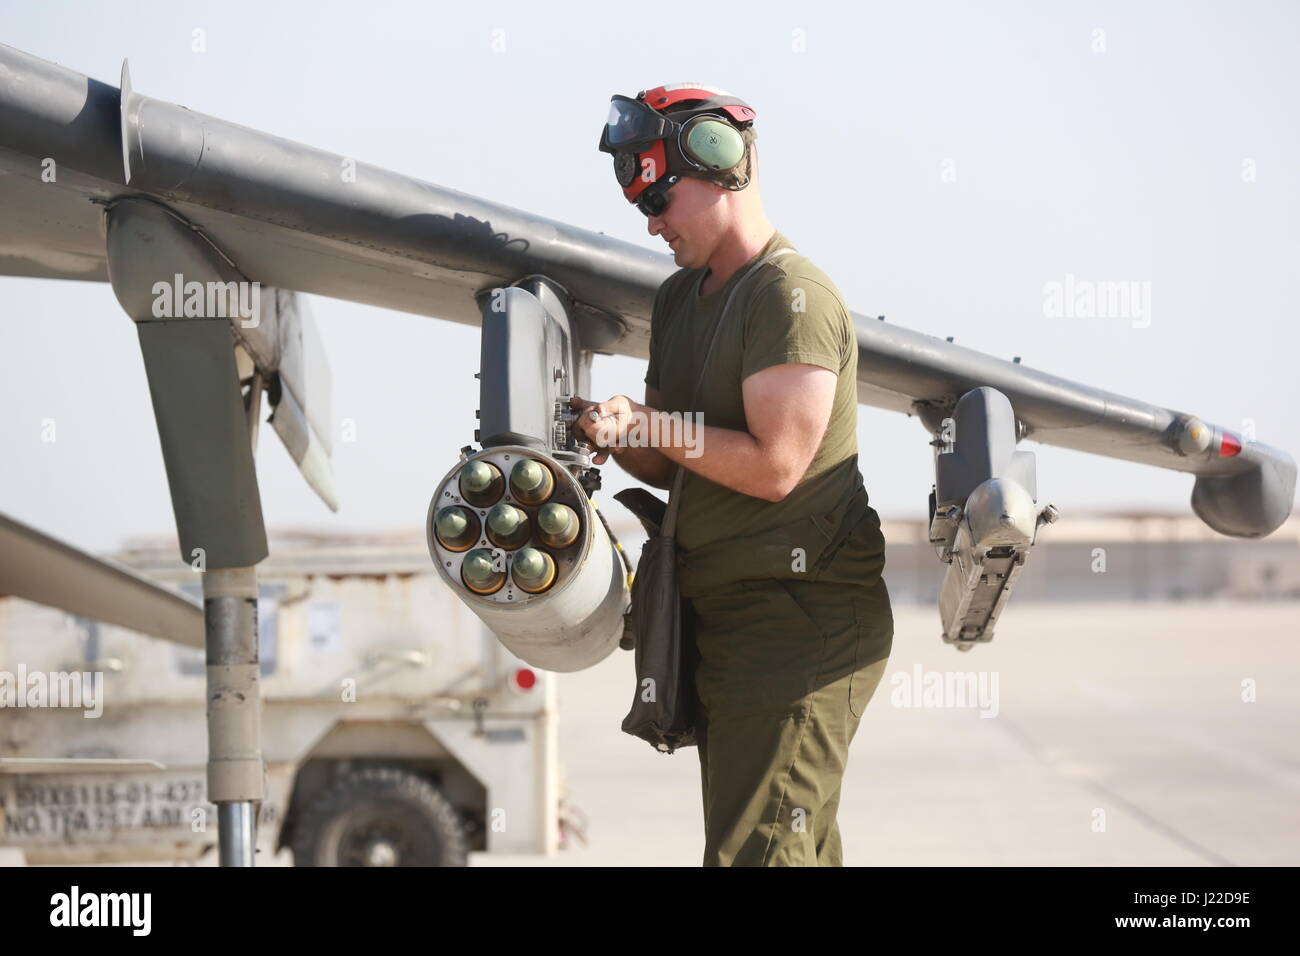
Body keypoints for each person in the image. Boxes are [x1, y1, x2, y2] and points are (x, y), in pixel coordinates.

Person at [573, 83, 893, 866]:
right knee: (786, 850)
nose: (650, 224)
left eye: (659, 198)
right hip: (719, 619)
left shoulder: (791, 299)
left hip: (798, 620)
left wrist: (651, 425)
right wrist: (614, 431)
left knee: (756, 855)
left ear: (718, 167)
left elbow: (776, 464)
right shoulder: (682, 298)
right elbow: (667, 455)